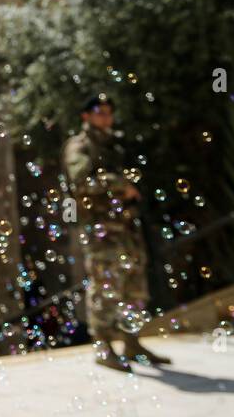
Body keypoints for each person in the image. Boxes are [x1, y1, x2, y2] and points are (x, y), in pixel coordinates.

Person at [62, 93, 171, 372]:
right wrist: (121, 184)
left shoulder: (114, 145)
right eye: (99, 112)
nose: (105, 117)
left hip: (125, 226)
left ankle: (132, 343)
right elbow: (81, 182)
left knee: (134, 286)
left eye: (109, 112)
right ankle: (103, 346)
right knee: (105, 285)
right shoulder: (80, 146)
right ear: (86, 116)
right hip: (102, 230)